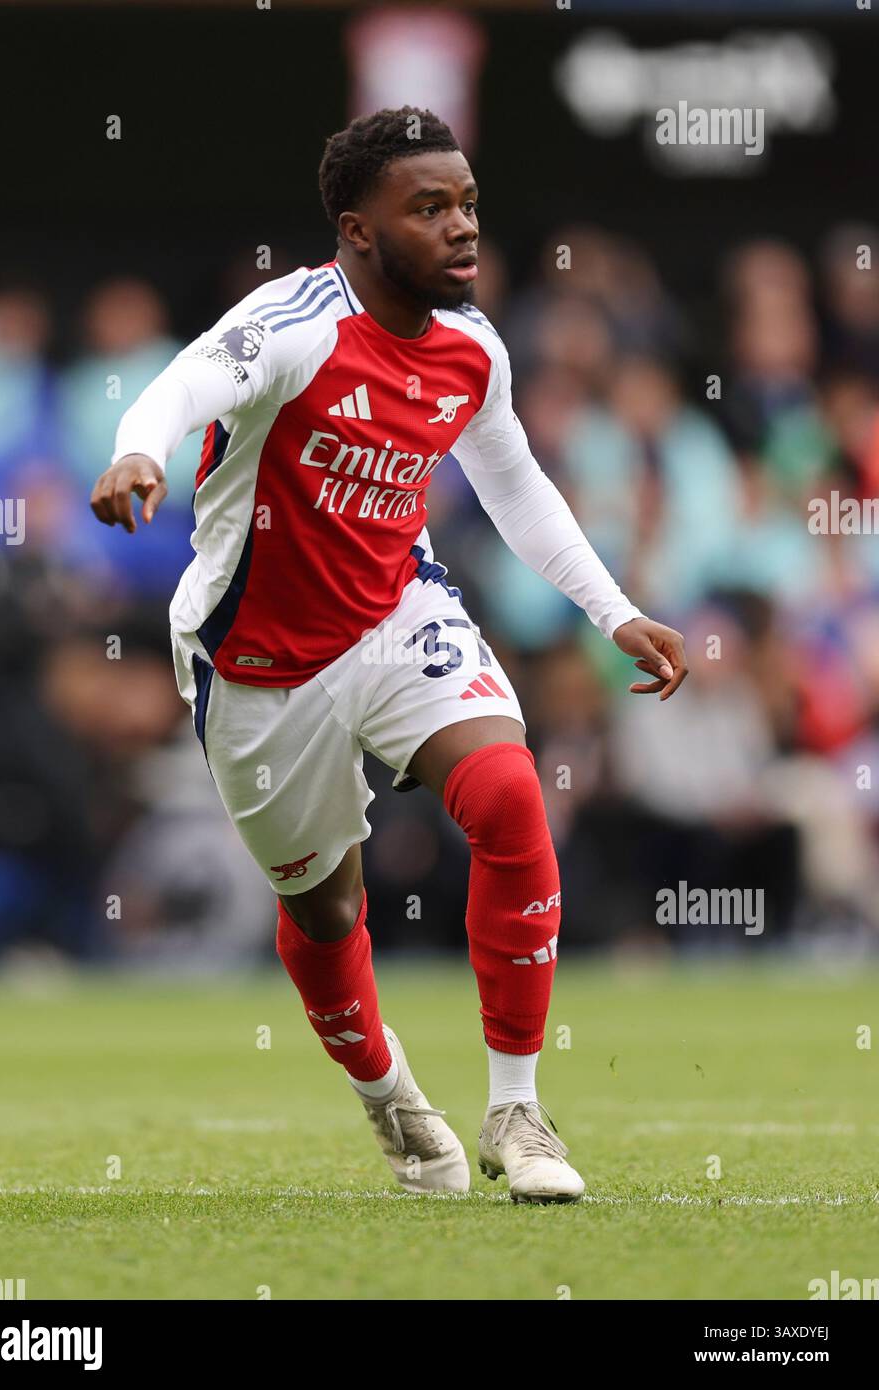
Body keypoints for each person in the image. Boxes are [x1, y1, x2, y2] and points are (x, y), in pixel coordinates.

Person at [90, 106, 687, 1204]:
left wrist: (614, 612)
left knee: (510, 791)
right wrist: (138, 453)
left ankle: (517, 1108)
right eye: (430, 208)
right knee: (325, 912)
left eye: (467, 203)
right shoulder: (294, 321)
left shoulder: (472, 347)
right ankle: (385, 1089)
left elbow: (513, 484)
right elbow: (181, 385)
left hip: (393, 612)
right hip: (259, 665)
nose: (462, 228)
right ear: (358, 232)